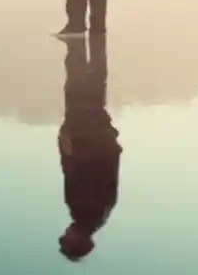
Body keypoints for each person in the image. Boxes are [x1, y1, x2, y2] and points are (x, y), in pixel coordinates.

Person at [56, 32, 121, 261]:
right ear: (78, 241)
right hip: (87, 132)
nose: (63, 235)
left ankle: (92, 31)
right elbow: (78, 172)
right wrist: (67, 145)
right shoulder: (85, 212)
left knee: (92, 78)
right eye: (66, 241)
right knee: (78, 79)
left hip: (96, 132)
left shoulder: (98, 215)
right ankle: (78, 34)